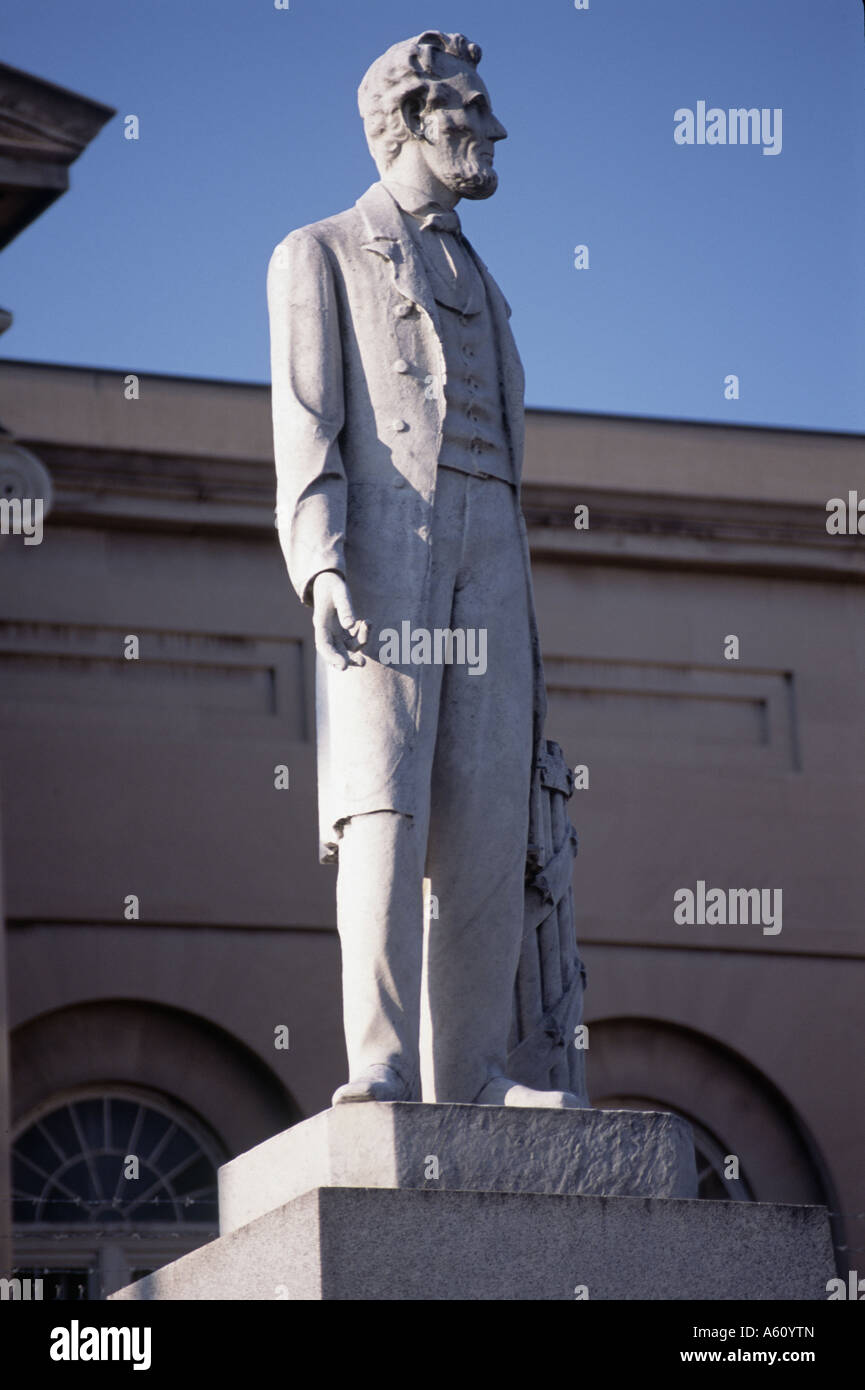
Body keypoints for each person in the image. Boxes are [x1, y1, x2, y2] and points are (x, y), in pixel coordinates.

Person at [268, 31, 582, 1109]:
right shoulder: (317, 252)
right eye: (471, 112)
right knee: (384, 803)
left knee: (488, 811)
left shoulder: (481, 277)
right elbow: (307, 428)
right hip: (386, 551)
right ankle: (383, 1058)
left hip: (493, 537)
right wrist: (320, 567)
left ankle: (480, 1069)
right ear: (407, 119)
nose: (491, 133)